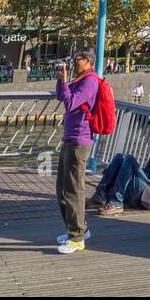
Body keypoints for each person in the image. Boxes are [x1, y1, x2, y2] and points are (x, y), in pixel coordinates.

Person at [55, 49, 100, 254]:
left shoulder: (90, 81)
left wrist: (66, 82)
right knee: (62, 188)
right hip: (69, 138)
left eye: (78, 59)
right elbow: (61, 96)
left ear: (88, 61)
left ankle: (77, 237)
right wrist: (61, 81)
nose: (74, 61)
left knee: (74, 188)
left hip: (80, 139)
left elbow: (71, 103)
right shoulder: (79, 78)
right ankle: (78, 228)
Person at [88, 128, 150, 215]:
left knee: (129, 159)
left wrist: (132, 170)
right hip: (147, 191)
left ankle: (116, 202)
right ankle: (100, 196)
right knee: (119, 157)